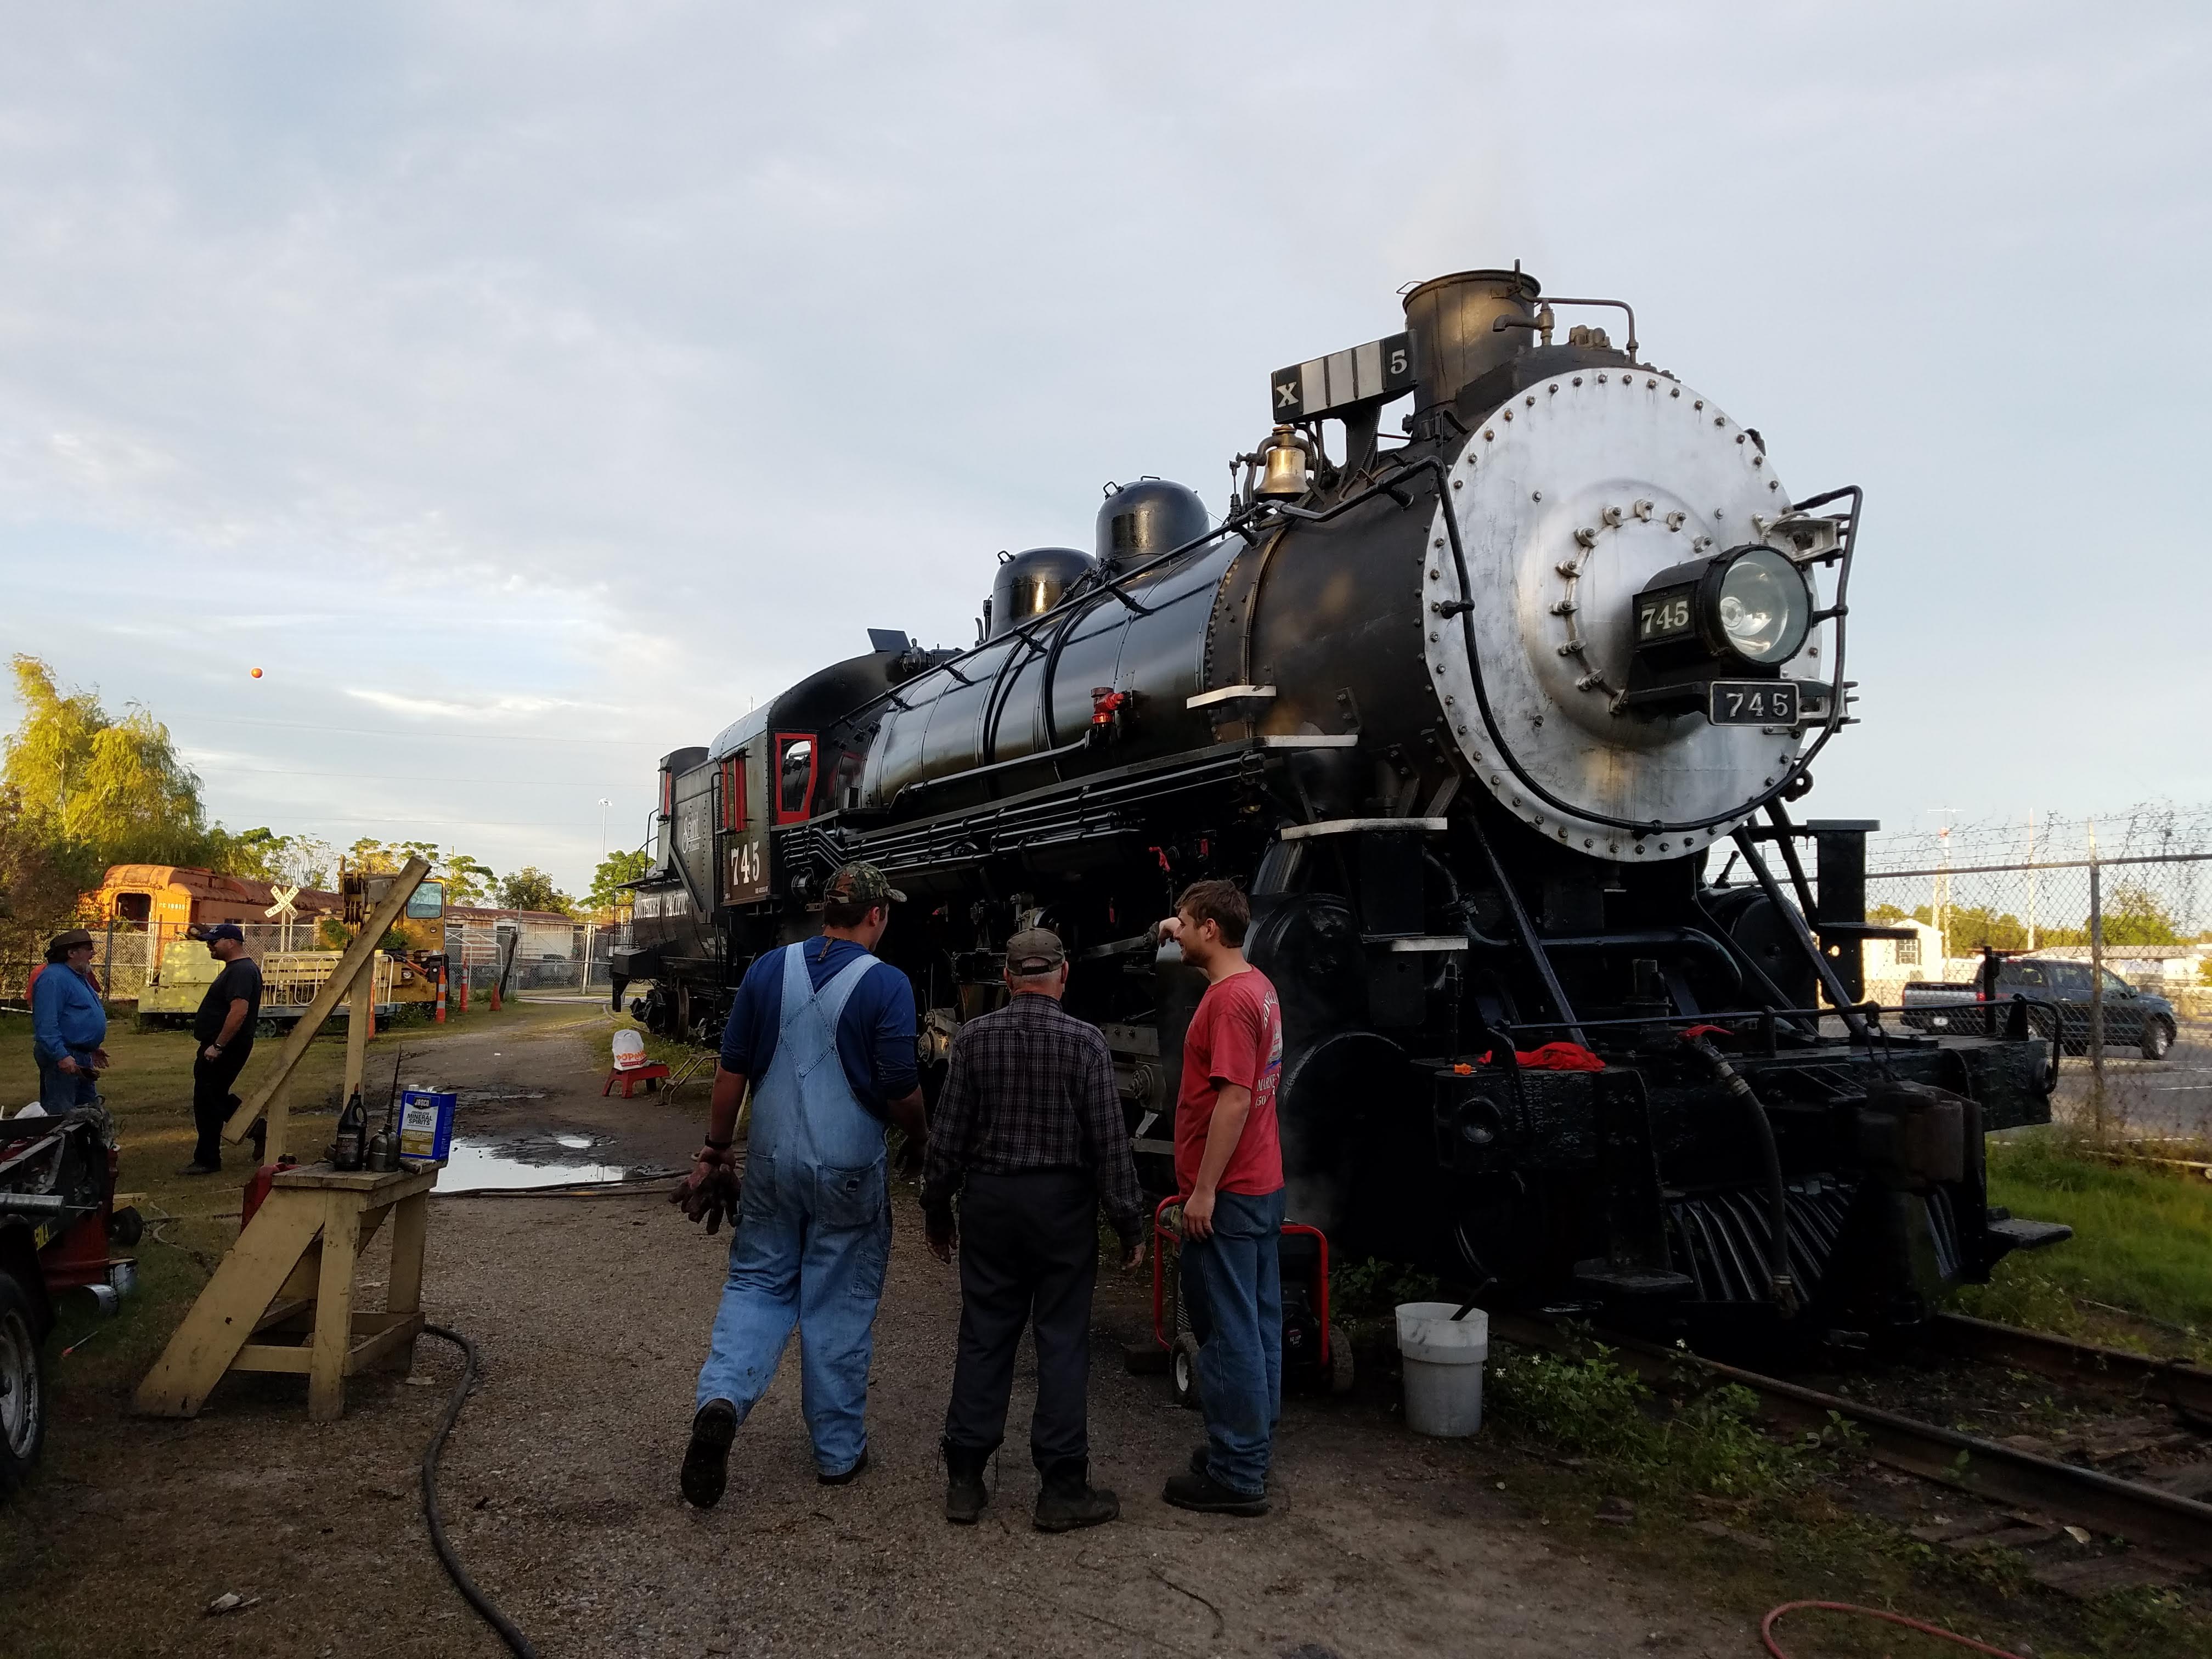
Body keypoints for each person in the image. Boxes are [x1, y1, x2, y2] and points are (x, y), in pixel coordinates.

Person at [676, 862, 927, 1508]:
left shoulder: (767, 970)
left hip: (771, 1165)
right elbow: (900, 1085)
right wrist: (924, 1138)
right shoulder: (888, 984)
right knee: (836, 1305)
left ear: (827, 912)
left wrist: (717, 1147)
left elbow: (732, 1068)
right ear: (876, 915)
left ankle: (724, 1400)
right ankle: (838, 1455)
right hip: (847, 1172)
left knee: (757, 1285)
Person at [920, 927, 1148, 1532]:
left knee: (985, 1333)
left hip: (991, 1204)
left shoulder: (972, 1041)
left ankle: (966, 1481)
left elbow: (946, 1138)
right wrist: (1130, 1222)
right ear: (1064, 976)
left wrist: (936, 1209)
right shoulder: (1088, 1045)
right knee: (1062, 1339)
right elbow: (1109, 1144)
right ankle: (1061, 1487)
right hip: (1063, 1210)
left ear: (1011, 978)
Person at [1157, 878, 1285, 1517]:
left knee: (1229, 1331)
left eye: (1182, 921)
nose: (1174, 929)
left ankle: (1237, 1471)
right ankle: (1252, 1445)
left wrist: (1202, 1191)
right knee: (1258, 1324)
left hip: (1228, 1194)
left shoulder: (1228, 1004)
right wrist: (1170, 927)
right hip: (1262, 1183)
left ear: (1210, 928)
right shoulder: (1255, 986)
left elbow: (1234, 1099)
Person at [183, 923, 264, 1175]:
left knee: (210, 1099)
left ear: (231, 942)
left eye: (213, 942)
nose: (210, 946)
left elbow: (239, 1011)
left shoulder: (241, 971)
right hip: (220, 1045)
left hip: (226, 1047)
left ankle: (255, 1133)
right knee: (211, 1098)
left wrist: (218, 1045)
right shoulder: (236, 969)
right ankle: (210, 1156)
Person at [30, 928, 108, 1114]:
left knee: (88, 1113)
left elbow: (75, 1015)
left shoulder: (76, 977)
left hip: (79, 1054)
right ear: (71, 953)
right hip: (64, 1056)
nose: (93, 953)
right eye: (87, 948)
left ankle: (85, 1144)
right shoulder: (53, 978)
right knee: (62, 1114)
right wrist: (61, 1056)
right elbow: (46, 1025)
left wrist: (91, 1046)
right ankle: (64, 1145)